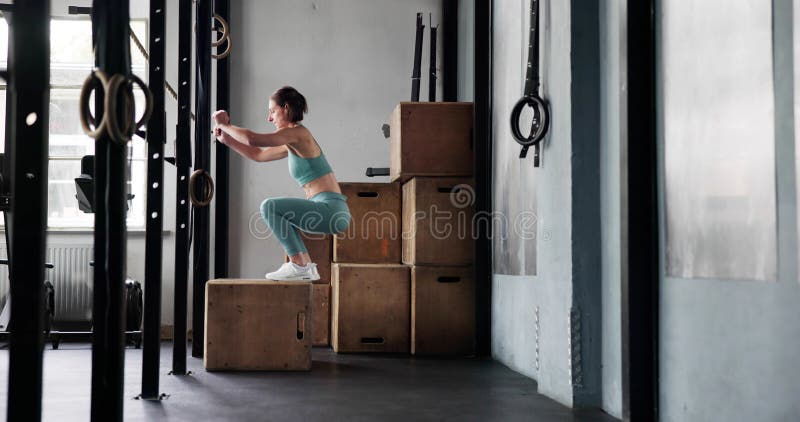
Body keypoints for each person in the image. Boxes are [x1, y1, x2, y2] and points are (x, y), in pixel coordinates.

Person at [212, 86, 350, 281]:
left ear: (286, 108)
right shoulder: (292, 141)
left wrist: (225, 124)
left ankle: (299, 265)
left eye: (272, 111)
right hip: (325, 208)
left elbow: (253, 140)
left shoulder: (299, 133)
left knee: (270, 207)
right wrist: (227, 140)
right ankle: (304, 267)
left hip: (330, 209)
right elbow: (258, 155)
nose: (270, 118)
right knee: (277, 212)